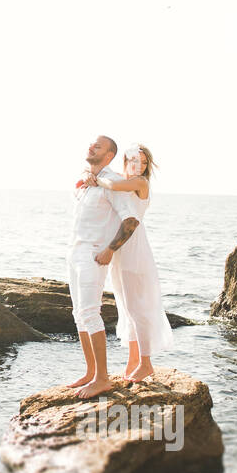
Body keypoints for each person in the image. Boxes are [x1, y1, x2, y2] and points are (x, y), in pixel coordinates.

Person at [89, 144, 173, 382]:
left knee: (137, 308)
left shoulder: (140, 184)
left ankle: (146, 363)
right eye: (136, 161)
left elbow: (113, 185)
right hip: (121, 250)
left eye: (145, 163)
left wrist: (96, 179)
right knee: (126, 308)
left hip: (135, 249)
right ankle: (133, 361)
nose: (140, 166)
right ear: (125, 161)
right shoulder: (123, 180)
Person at [66, 135, 140, 398]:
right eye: (91, 144)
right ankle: (90, 372)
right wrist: (86, 178)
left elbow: (130, 221)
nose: (90, 147)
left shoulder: (114, 183)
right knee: (78, 314)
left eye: (98, 146)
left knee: (90, 312)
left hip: (93, 256)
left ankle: (102, 378)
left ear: (109, 155)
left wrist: (110, 249)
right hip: (74, 252)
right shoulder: (89, 182)